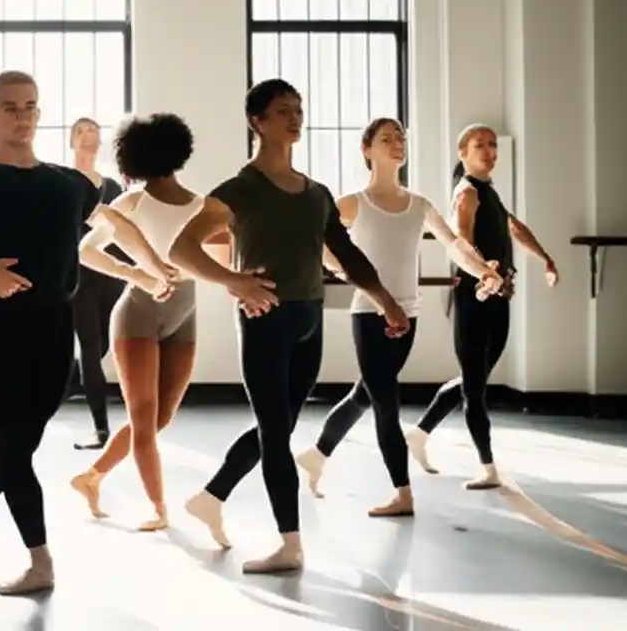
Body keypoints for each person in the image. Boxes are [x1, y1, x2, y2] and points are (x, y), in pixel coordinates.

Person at [0, 71, 177, 595]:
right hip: (4, 327)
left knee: (20, 442)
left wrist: (151, 268)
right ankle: (39, 561)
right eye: (10, 107)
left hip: (57, 324)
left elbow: (119, 227)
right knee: (17, 446)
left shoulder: (68, 184)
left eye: (30, 106)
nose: (22, 116)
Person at [176, 79, 411, 574]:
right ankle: (290, 543)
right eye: (283, 110)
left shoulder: (317, 194)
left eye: (298, 110)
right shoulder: (240, 189)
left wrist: (386, 301)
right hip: (265, 321)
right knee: (276, 434)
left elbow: (347, 255)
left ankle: (211, 498)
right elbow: (182, 247)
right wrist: (234, 281)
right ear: (256, 121)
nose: (295, 118)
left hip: (309, 319)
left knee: (277, 427)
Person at [69, 113, 277, 531]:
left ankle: (91, 477)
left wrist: (241, 281)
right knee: (144, 419)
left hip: (184, 313)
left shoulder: (203, 205)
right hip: (137, 315)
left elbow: (221, 261)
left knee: (160, 418)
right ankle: (158, 507)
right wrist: (136, 273)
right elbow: (86, 251)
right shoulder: (132, 203)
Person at [294, 118, 504, 516]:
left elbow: (455, 245)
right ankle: (402, 493)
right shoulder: (354, 202)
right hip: (369, 314)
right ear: (367, 150)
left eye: (401, 137)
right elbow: (316, 240)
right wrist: (344, 272)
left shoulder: (418, 204)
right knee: (386, 402)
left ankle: (317, 455)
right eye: (386, 138)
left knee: (366, 393)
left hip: (410, 313)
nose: (397, 143)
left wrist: (483, 271)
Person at [405, 123, 559, 490]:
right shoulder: (467, 192)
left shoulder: (489, 192)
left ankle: (419, 434)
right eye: (480, 145)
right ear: (463, 153)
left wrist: (545, 258)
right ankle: (488, 467)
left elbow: (514, 228)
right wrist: (481, 271)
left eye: (492, 144)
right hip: (475, 299)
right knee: (475, 390)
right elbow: (461, 238)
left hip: (498, 298)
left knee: (474, 379)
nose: (489, 151)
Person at [68, 117, 128, 450]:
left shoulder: (113, 186)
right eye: (82, 131)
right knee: (90, 349)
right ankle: (101, 428)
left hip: (110, 276)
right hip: (80, 277)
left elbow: (124, 230)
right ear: (72, 140)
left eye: (94, 130)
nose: (89, 135)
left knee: (101, 345)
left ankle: (56, 387)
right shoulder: (62, 182)